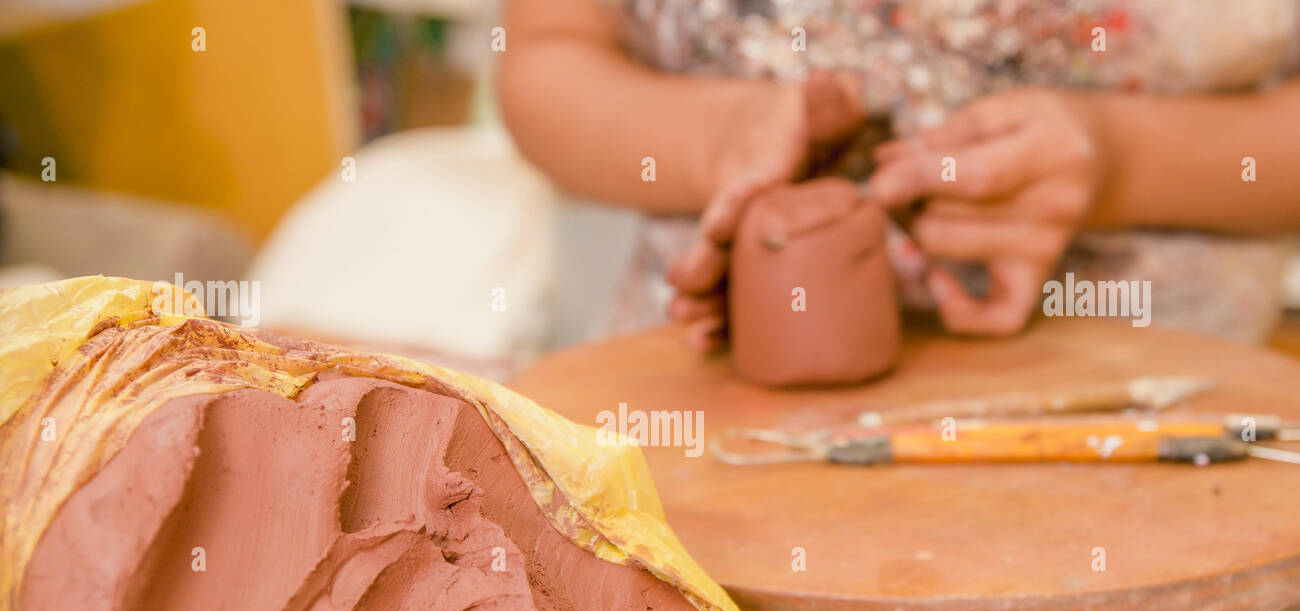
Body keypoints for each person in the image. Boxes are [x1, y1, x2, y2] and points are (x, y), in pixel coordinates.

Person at [500, 0, 1300, 351]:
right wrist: (721, 138)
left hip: (1163, 431)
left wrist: (1123, 161)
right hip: (713, 434)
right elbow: (542, 54)